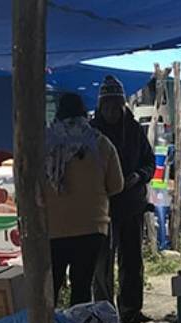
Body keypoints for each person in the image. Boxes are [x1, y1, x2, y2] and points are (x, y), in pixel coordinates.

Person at [44, 93, 124, 305]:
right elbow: (117, 186)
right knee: (81, 286)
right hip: (91, 228)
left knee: (49, 289)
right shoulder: (101, 143)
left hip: (52, 229)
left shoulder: (44, 145)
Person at [93, 76, 154, 323]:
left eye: (115, 107)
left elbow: (149, 163)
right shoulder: (91, 133)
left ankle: (130, 310)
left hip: (132, 204)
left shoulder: (135, 131)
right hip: (101, 209)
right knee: (102, 264)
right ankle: (104, 313)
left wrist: (138, 176)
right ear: (100, 107)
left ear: (122, 106)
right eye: (106, 107)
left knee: (131, 260)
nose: (111, 112)